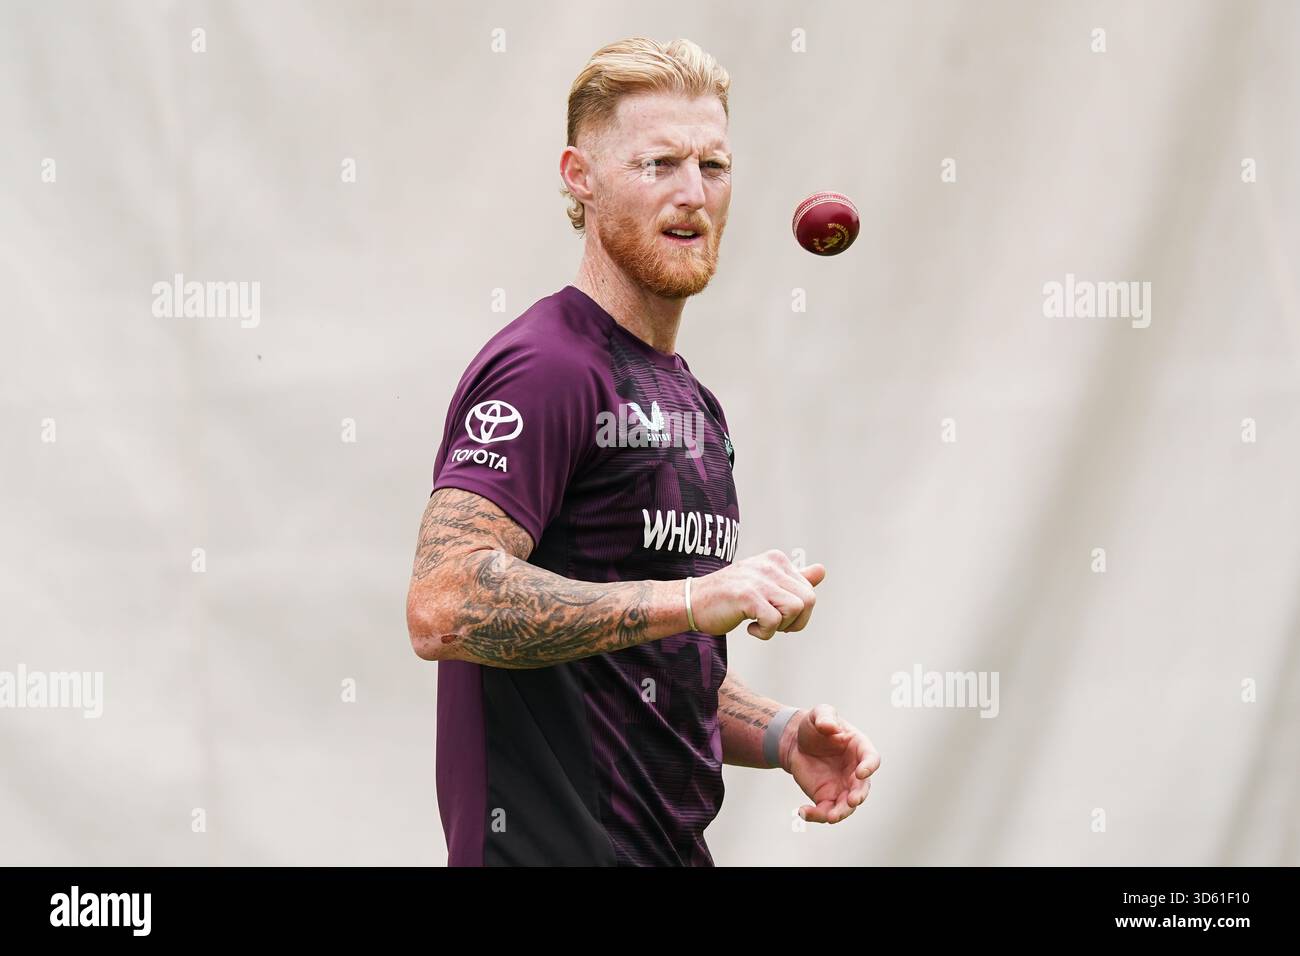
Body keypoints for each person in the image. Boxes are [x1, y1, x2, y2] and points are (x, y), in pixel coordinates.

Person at [406, 36, 879, 866]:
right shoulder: (546, 368)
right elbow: (445, 604)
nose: (693, 194)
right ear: (579, 177)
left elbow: (647, 654)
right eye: (659, 163)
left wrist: (780, 734)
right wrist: (695, 601)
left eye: (715, 167)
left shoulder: (690, 401)